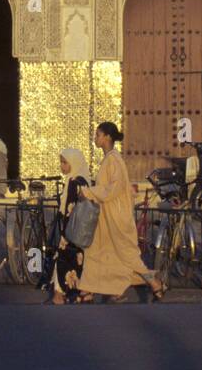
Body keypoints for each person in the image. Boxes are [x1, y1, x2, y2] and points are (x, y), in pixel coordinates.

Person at [76, 122, 163, 303]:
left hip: (116, 217)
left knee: (126, 255)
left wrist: (88, 192)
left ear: (107, 137)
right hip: (107, 216)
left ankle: (154, 283)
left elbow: (113, 189)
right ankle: (90, 290)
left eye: (98, 134)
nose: (95, 138)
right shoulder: (109, 159)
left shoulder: (114, 160)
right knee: (101, 252)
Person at [50, 147, 91, 304]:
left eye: (65, 162)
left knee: (62, 259)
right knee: (79, 261)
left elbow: (69, 209)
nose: (62, 166)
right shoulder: (85, 180)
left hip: (70, 231)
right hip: (83, 231)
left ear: (73, 163)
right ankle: (83, 292)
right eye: (61, 162)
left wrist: (64, 234)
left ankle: (59, 294)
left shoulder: (73, 182)